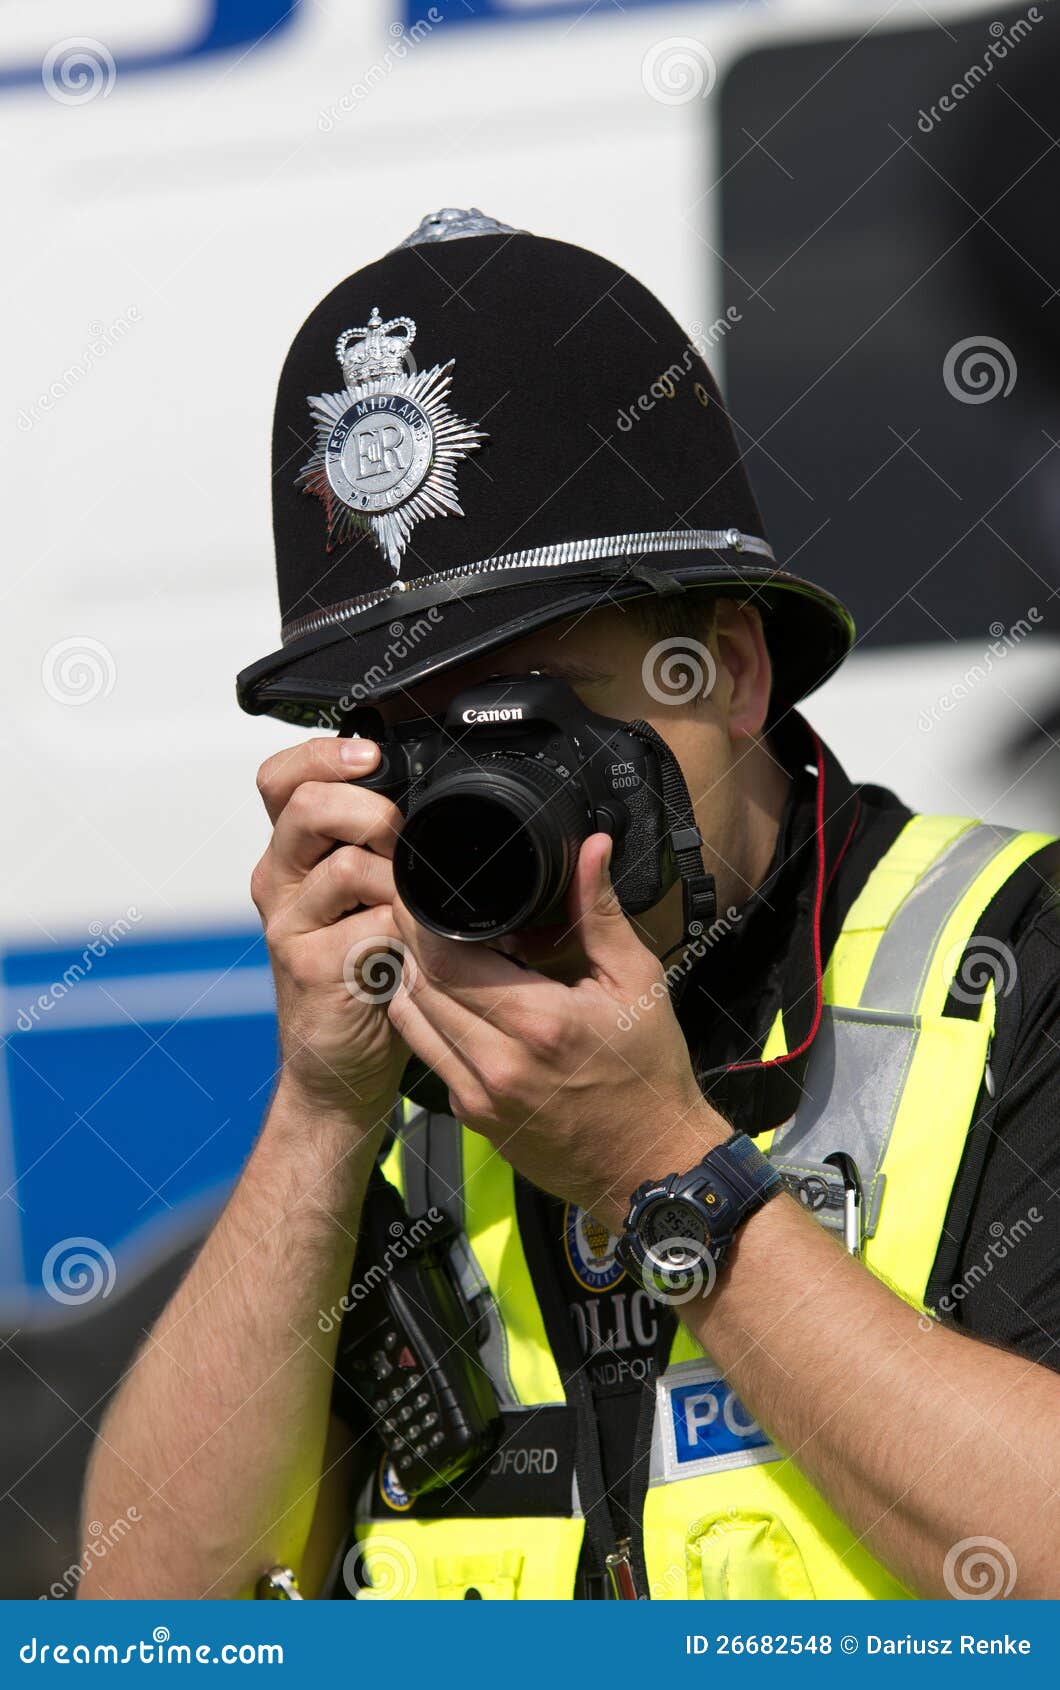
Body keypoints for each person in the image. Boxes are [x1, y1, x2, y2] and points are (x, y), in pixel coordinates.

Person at [80, 210, 1060, 1602]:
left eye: (531, 721)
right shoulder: (406, 1068)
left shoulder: (1009, 968)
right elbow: (151, 1622)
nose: (480, 808)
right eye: (410, 743)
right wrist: (317, 1113)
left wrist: (671, 1175)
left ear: (723, 669)